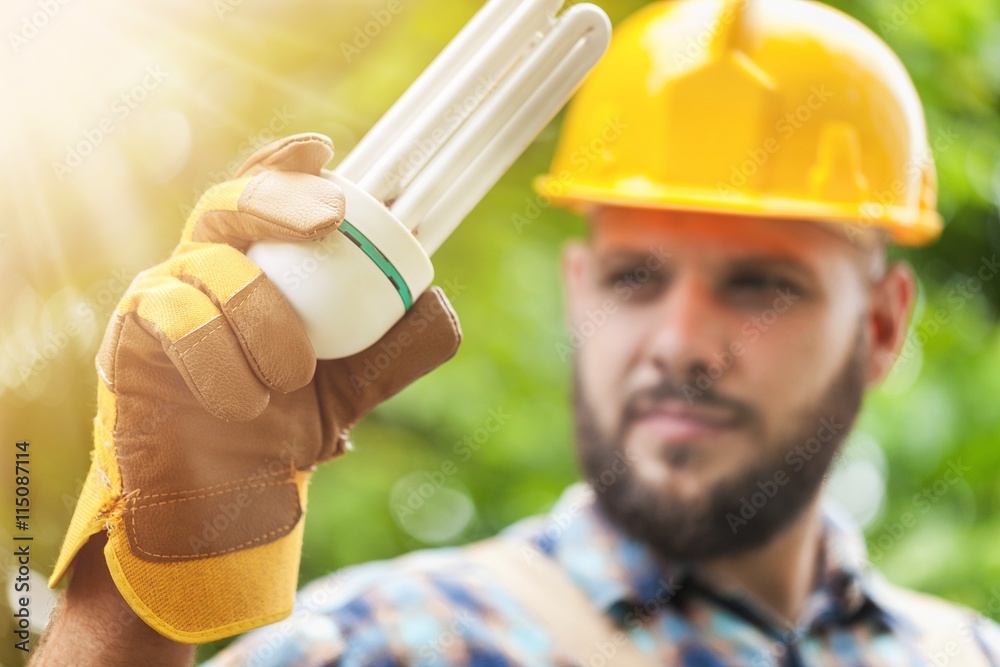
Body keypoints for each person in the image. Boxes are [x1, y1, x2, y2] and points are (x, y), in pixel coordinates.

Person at [32, 0, 1000, 665]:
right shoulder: (376, 645)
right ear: (579, 289)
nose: (681, 341)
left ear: (880, 326)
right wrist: (125, 609)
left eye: (761, 286)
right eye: (635, 277)